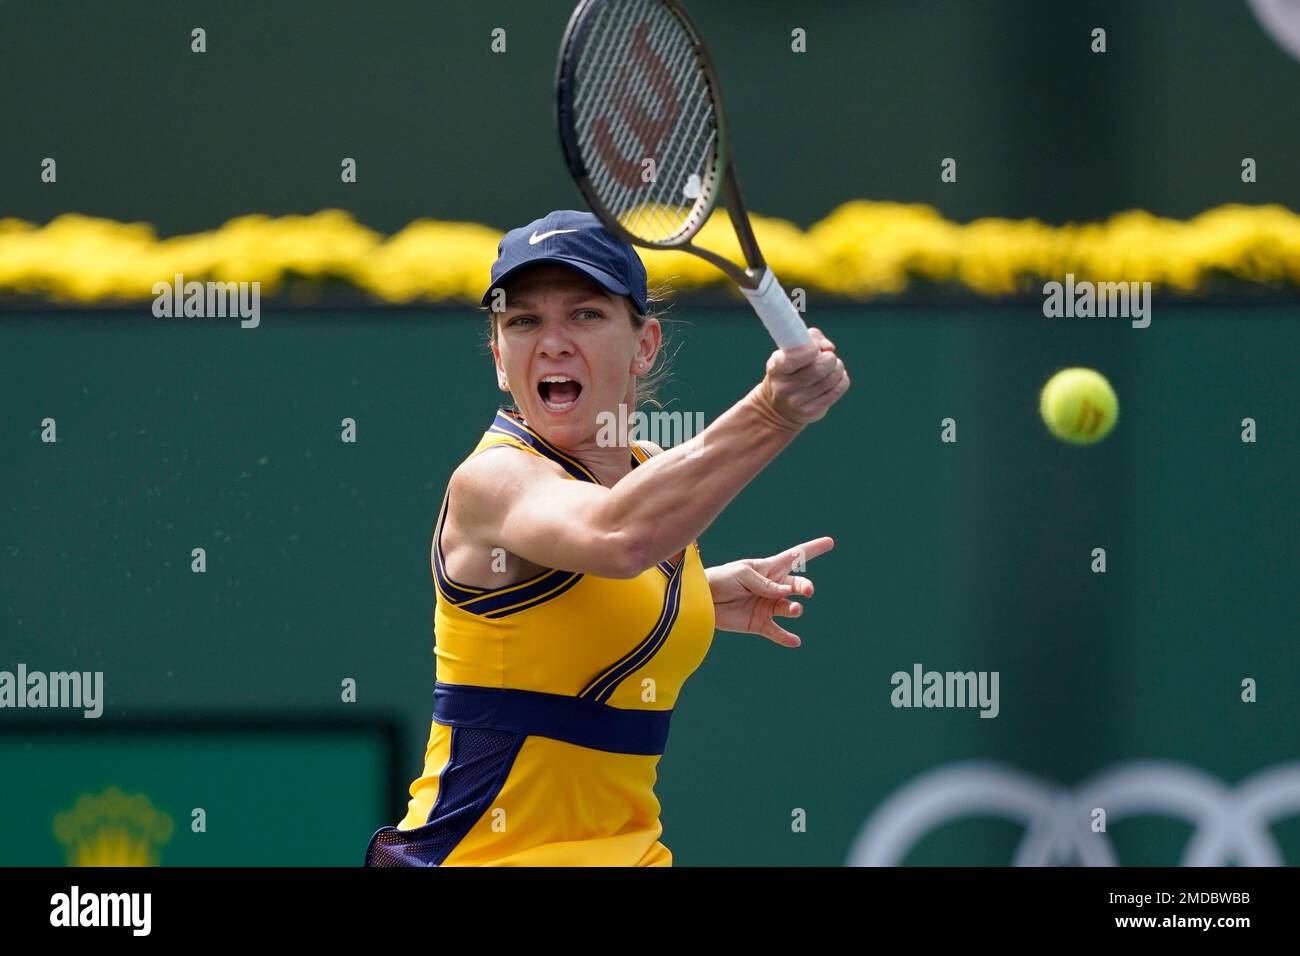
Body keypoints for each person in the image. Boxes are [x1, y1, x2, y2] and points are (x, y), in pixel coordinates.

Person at [365, 210, 849, 866]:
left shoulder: (648, 469)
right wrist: (772, 411)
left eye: (585, 315)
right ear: (501, 361)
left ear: (644, 344)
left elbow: (591, 586)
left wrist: (692, 598)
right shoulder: (493, 481)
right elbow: (618, 536)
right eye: (523, 321)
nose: (553, 342)